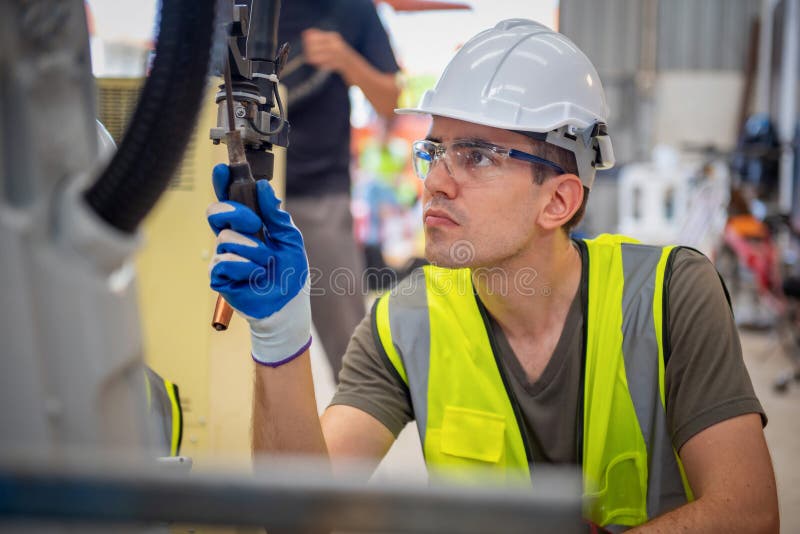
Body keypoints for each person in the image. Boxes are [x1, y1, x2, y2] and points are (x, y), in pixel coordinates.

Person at [207, 20, 779, 531]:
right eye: (435, 150)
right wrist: (279, 337)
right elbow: (305, 515)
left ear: (557, 201)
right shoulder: (405, 321)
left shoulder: (670, 294)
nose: (435, 182)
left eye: (477, 155)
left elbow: (749, 512)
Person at [276, 0, 401, 380]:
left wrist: (347, 60)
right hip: (229, 188)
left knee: (352, 352)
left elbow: (391, 102)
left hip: (318, 195)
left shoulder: (353, 9)